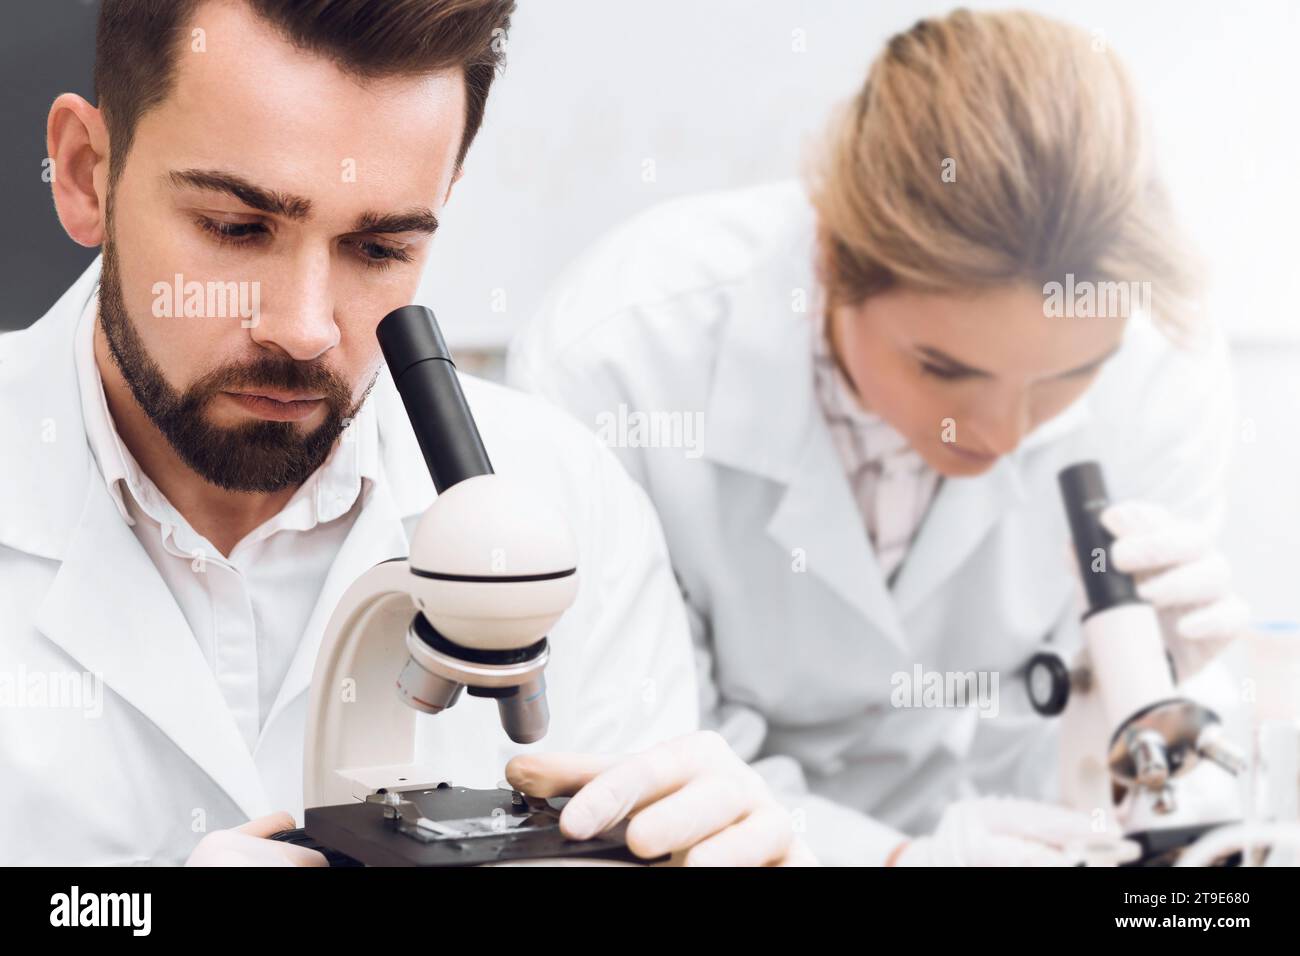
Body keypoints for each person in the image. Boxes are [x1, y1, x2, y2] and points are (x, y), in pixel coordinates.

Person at [0, 0, 812, 867]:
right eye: (236, 228)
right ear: (86, 174)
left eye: (379, 248)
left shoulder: (570, 497)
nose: (304, 327)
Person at [507, 9, 1248, 865]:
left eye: (1062, 381)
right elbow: (624, 753)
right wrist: (892, 861)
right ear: (830, 255)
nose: (1002, 434)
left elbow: (1125, 790)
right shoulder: (620, 364)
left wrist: (1149, 688)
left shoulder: (1158, 369)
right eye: (945, 368)